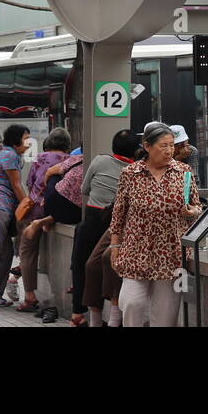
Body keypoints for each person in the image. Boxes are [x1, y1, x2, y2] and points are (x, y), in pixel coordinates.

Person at [108, 122, 201, 327]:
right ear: (147, 146)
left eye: (171, 145)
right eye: (163, 146)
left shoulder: (183, 172)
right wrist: (115, 245)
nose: (169, 151)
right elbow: (119, 213)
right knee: (131, 303)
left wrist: (191, 211)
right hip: (136, 250)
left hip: (171, 253)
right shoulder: (130, 174)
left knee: (166, 314)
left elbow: (196, 206)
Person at [78, 128, 142, 327]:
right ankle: (96, 320)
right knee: (92, 265)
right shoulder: (133, 169)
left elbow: (84, 190)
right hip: (113, 221)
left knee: (105, 261)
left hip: (113, 222)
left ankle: (112, 320)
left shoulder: (103, 162)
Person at [14, 126, 72, 316]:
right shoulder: (70, 160)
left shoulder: (41, 158)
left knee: (27, 253)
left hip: (36, 212)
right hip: (58, 213)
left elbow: (30, 183)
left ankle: (30, 297)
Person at [0, 124, 30, 307]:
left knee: (4, 251)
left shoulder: (10, 155)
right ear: (16, 139)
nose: (28, 142)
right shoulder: (10, 156)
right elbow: (16, 185)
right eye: (26, 138)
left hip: (0, 206)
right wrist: (27, 205)